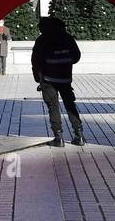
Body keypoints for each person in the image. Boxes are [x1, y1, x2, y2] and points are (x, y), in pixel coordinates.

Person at [31, 16, 84, 147]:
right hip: (65, 78)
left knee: (53, 107)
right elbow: (76, 56)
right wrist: (65, 64)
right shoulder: (67, 37)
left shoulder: (42, 40)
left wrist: (39, 77)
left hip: (48, 79)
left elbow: (36, 60)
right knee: (70, 105)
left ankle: (58, 137)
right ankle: (79, 135)